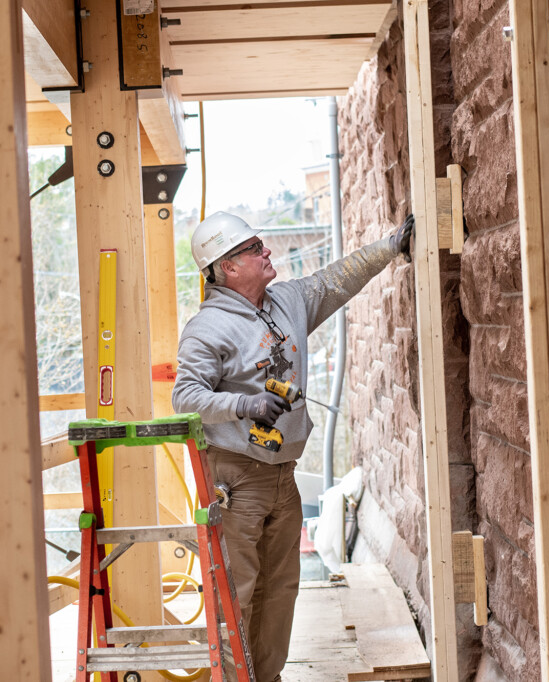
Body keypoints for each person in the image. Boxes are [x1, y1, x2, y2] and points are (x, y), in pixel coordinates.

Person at [172, 210, 414, 681]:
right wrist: (245, 405)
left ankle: (267, 677)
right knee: (237, 591)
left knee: (281, 588)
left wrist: (390, 246)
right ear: (227, 267)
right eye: (254, 248)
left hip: (282, 475)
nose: (267, 251)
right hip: (235, 478)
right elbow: (186, 396)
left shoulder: (286, 302)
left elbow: (335, 281)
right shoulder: (208, 328)